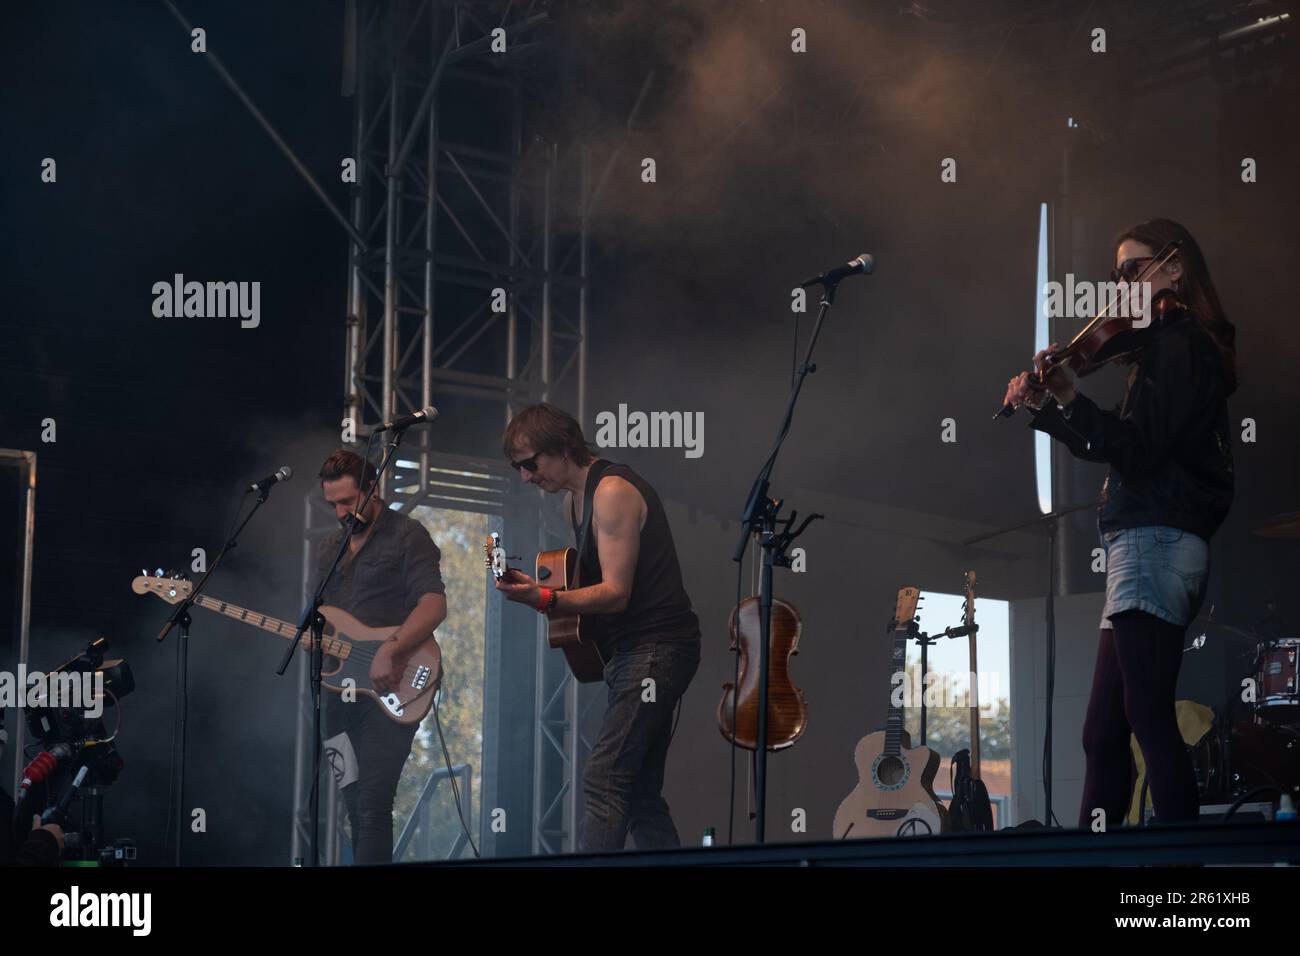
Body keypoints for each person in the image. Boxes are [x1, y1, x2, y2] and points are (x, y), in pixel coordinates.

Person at [1002, 218, 1236, 825]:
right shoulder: (1159, 350)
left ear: (1175, 267)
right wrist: (1061, 403)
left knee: (1147, 717)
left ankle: (1181, 891)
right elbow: (1129, 446)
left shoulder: (1182, 344)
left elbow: (1139, 449)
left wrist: (1073, 401)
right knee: (1103, 734)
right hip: (1143, 544)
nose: (1121, 286)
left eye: (1133, 270)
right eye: (1117, 275)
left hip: (1156, 541)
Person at [495, 403, 701, 850]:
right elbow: (588, 587)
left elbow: (615, 593)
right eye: (519, 469)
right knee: (641, 794)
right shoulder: (576, 500)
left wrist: (546, 598)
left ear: (563, 446)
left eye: (530, 464)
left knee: (605, 777)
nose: (527, 477)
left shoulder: (610, 492)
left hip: (656, 648)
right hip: (638, 651)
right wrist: (542, 591)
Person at [313, 449, 448, 863]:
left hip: (393, 690)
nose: (339, 512)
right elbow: (322, 619)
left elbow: (433, 604)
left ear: (373, 488)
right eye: (332, 504)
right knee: (352, 802)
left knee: (372, 804)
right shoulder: (331, 547)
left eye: (347, 502)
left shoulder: (408, 535)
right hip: (338, 698)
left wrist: (390, 649)